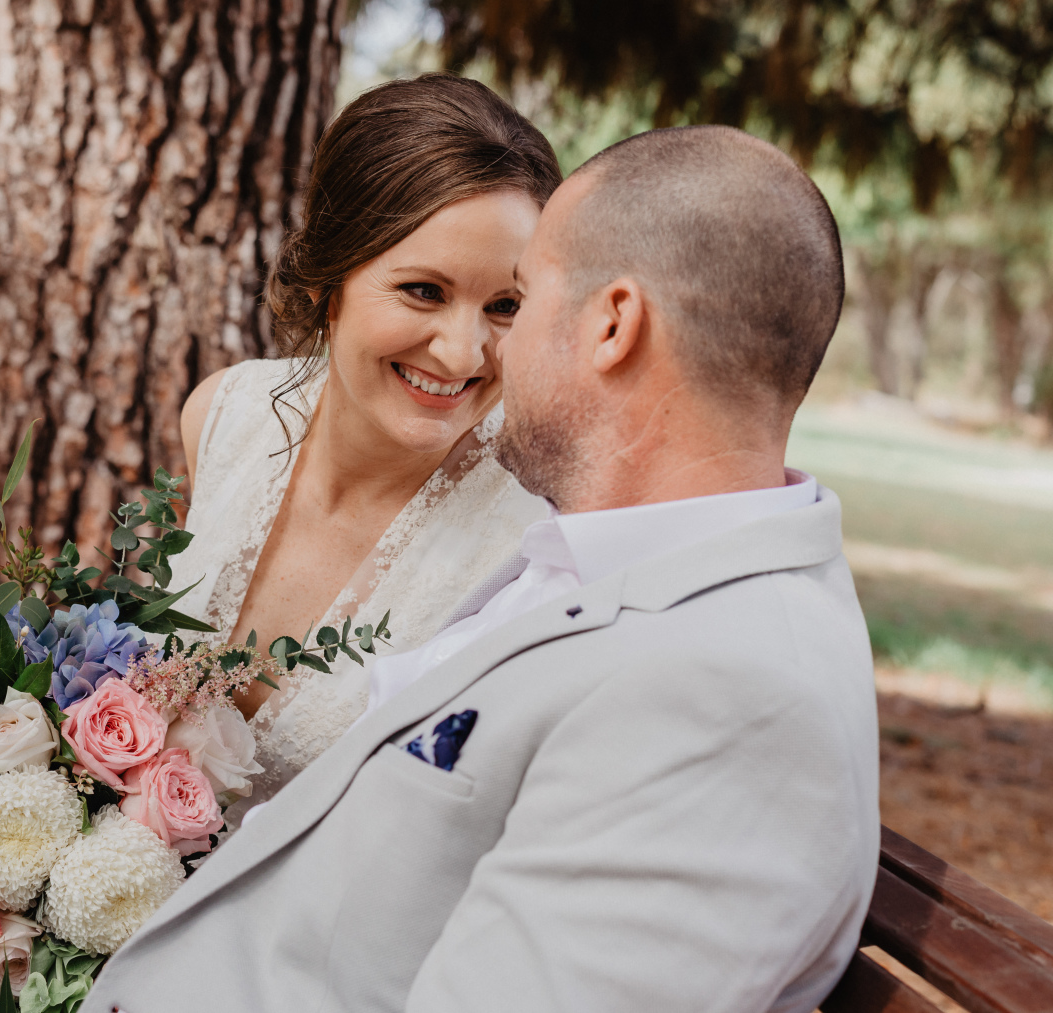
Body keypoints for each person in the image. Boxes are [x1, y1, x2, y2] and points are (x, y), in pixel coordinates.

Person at [84, 125, 880, 1013]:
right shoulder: (598, 566)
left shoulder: (737, 697)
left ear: (612, 325)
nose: (475, 355)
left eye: (519, 298)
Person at [166, 74, 559, 816]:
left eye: (506, 305)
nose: (462, 352)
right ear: (330, 279)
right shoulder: (222, 415)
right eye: (424, 290)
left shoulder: (537, 535)